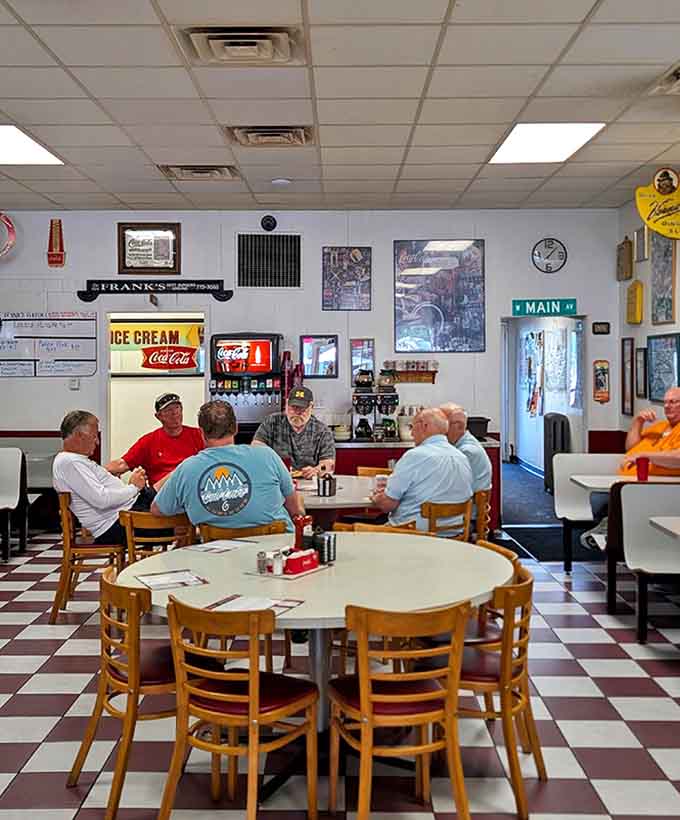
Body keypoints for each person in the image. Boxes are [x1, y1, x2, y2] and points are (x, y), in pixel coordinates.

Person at [151, 400, 303, 532]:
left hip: (218, 557)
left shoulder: (187, 468)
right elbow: (295, 509)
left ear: (201, 433)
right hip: (278, 553)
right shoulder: (266, 455)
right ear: (236, 428)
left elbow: (157, 509)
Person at [53, 410, 152, 545]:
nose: (97, 442)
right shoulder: (70, 462)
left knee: (176, 480)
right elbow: (102, 500)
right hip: (118, 524)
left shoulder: (75, 461)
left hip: (128, 511)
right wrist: (134, 487)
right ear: (79, 435)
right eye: (94, 436)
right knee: (180, 518)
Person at [371, 407, 473, 531]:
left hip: (413, 536)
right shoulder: (462, 457)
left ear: (424, 426)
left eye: (411, 427)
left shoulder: (414, 455)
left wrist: (377, 498)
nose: (412, 433)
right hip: (455, 536)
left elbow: (387, 505)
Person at [106, 392, 204, 489]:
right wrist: (97, 472)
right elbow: (121, 464)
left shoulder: (199, 435)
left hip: (193, 491)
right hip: (160, 496)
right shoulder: (148, 441)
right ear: (158, 416)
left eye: (177, 408)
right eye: (168, 410)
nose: (174, 413)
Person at [253, 386, 335, 478]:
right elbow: (256, 447)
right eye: (293, 408)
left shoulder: (322, 431)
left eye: (302, 409)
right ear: (287, 404)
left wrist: (317, 470)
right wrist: (272, 462)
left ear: (311, 407)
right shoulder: (272, 422)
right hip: (276, 480)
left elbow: (328, 465)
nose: (297, 413)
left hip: (309, 483)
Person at [620, 387, 680, 476]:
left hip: (659, 487)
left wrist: (643, 456)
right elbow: (631, 448)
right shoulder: (659, 426)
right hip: (626, 483)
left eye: (672, 402)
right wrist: (638, 421)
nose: (666, 406)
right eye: (665, 402)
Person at [440, 403, 492, 492]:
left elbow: (448, 486)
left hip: (467, 504)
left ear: (459, 426)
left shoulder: (466, 452)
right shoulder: (460, 443)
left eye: (441, 424)